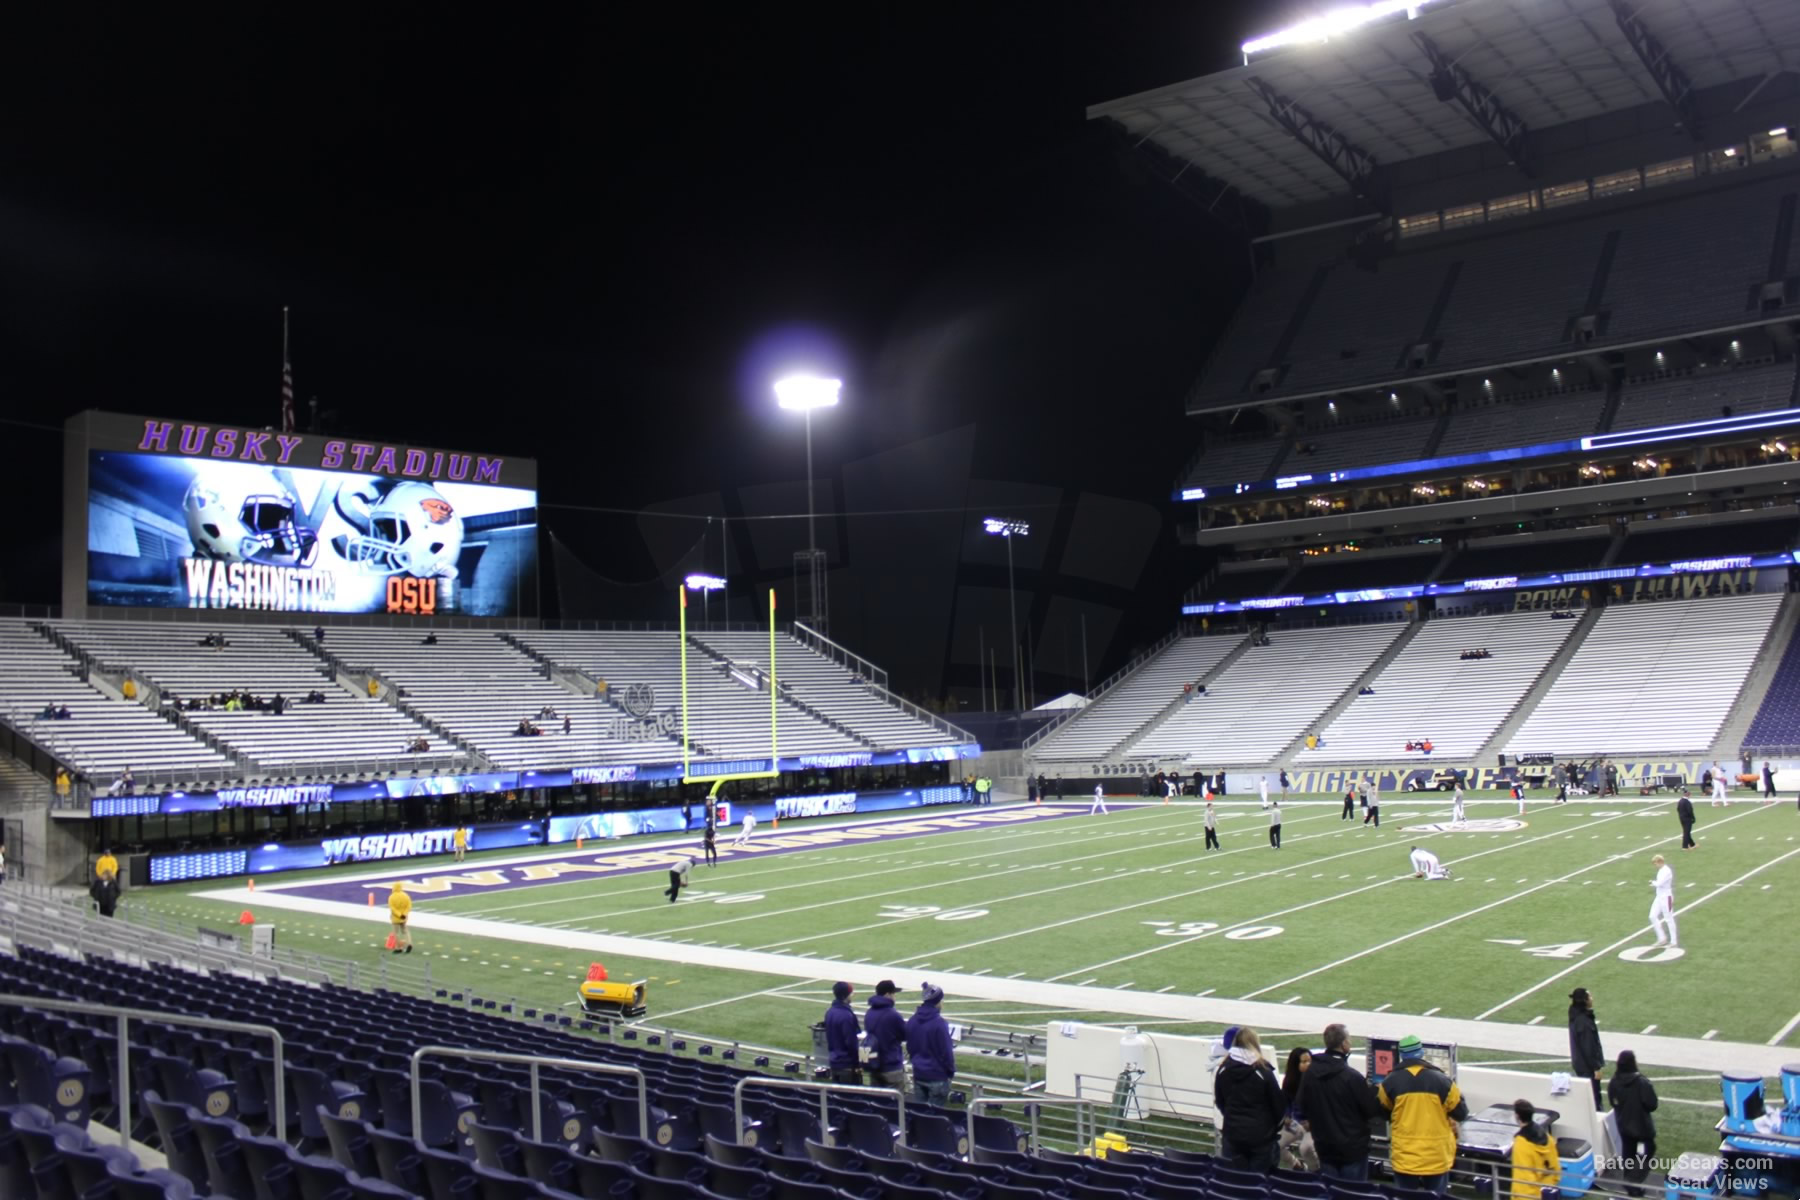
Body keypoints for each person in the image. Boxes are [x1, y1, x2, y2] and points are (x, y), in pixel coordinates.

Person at [1377, 1033, 1468, 1194]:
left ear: (1402, 1056)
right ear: (1421, 1053)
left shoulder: (1389, 1082)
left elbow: (1384, 1112)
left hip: (1405, 1155)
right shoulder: (1443, 1081)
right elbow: (1461, 1113)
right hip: (1436, 1155)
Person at [1299, 1022, 1381, 1183]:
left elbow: (1302, 1104)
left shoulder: (1310, 1073)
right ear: (1344, 1044)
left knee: (1332, 1192)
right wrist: (1373, 1092)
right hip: (1352, 1149)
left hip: (1325, 1146)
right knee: (1352, 1194)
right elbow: (1370, 1110)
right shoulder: (1351, 1077)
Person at [1212, 1026, 1284, 1172]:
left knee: (1234, 1183)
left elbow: (1220, 1101)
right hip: (1260, 1138)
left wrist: (1233, 1117)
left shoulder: (1223, 1069)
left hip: (1232, 1134)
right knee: (1257, 1184)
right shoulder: (1263, 1071)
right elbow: (1278, 1105)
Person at [1607, 1050, 1658, 1196]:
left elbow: (1613, 1102)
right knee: (1648, 1152)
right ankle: (1632, 1182)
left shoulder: (1614, 1081)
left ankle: (1630, 1182)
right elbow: (1652, 1104)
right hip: (1642, 1127)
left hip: (1623, 1124)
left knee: (1628, 1153)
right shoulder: (1641, 1082)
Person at [905, 983, 955, 1107]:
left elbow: (910, 1047)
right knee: (935, 1119)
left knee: (920, 1115)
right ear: (937, 1001)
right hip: (937, 1075)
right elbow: (946, 1052)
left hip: (919, 1073)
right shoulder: (939, 1023)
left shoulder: (912, 1020)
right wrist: (950, 1071)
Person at [1509, 1099, 1560, 1200]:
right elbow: (1554, 1164)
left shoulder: (1521, 1142)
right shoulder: (1547, 1137)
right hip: (1546, 1189)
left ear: (1517, 1116)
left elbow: (1522, 1174)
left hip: (1528, 1195)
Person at [1278, 1047, 1318, 1170]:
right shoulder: (1290, 1081)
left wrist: (1312, 1122)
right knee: (1274, 1145)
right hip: (1296, 1123)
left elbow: (1323, 1108)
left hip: (1313, 1125)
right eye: (1304, 1062)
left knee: (1306, 1148)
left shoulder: (1317, 1081)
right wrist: (1287, 1116)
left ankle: (1316, 1171)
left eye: (1310, 1061)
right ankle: (1296, 1165)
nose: (1308, 1064)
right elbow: (1286, 1102)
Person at [1567, 987, 1604, 1110]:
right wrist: (1596, 1067)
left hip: (1580, 1063)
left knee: (1589, 1097)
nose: (1592, 999)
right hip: (1587, 1067)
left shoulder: (1575, 1015)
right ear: (1585, 1000)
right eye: (1590, 996)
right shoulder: (1584, 1021)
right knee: (1594, 1099)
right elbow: (1589, 1047)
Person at [864, 980, 906, 1088]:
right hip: (891, 1065)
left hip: (874, 1062)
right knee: (895, 1102)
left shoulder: (869, 1013)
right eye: (893, 994)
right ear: (888, 994)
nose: (894, 997)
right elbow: (905, 1035)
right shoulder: (892, 1014)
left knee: (877, 1101)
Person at [824, 982, 863, 1085]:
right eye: (851, 993)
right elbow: (850, 1042)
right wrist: (857, 1063)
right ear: (845, 995)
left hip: (834, 1061)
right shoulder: (846, 1015)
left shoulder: (830, 1011)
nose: (852, 995)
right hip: (846, 1064)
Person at [1648, 854, 1677, 947]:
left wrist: (1652, 882)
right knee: (1652, 916)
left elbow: (1660, 883)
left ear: (1660, 862)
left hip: (1666, 897)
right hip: (1659, 897)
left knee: (1669, 919)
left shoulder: (1667, 871)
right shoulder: (1661, 870)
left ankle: (1673, 941)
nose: (1655, 865)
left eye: (1655, 863)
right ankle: (1662, 938)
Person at [387, 882, 413, 953]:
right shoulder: (406, 895)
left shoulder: (391, 897)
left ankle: (398, 948)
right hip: (404, 917)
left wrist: (399, 915)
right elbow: (409, 906)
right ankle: (409, 943)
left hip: (396, 917)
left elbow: (393, 908)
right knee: (405, 931)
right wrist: (404, 914)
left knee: (396, 933)